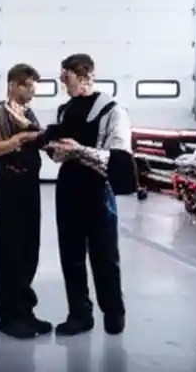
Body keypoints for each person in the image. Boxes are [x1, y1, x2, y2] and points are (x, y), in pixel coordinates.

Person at [45, 53, 131, 336]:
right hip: (68, 189)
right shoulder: (63, 110)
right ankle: (79, 314)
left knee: (104, 255)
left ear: (84, 76)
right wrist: (53, 149)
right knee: (70, 255)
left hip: (97, 191)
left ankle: (113, 311)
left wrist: (78, 150)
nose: (61, 80)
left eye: (65, 75)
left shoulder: (113, 111)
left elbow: (117, 159)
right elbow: (59, 154)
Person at [0, 63, 54, 339]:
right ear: (13, 85)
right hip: (9, 185)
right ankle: (9, 315)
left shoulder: (29, 113)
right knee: (10, 250)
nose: (32, 90)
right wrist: (19, 139)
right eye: (27, 84)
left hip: (29, 187)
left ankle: (26, 311)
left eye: (34, 85)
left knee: (29, 249)